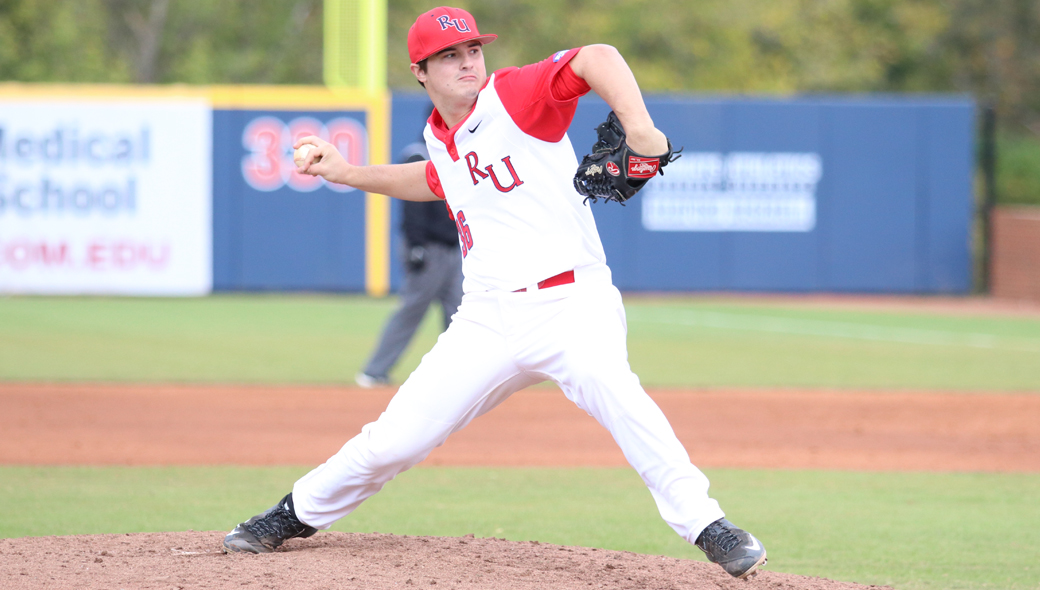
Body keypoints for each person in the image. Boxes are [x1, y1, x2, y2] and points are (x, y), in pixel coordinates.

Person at [222, 6, 768, 580]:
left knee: (615, 391)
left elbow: (597, 57)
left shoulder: (514, 96)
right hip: (487, 316)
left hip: (570, 303)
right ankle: (293, 513)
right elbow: (435, 180)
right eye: (450, 56)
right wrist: (348, 171)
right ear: (421, 72)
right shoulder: (438, 136)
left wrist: (640, 127)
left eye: (473, 51)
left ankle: (710, 526)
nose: (467, 63)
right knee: (394, 440)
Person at [355, 119, 464, 389]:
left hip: (455, 249)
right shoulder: (419, 152)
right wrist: (416, 245)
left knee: (461, 314)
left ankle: (458, 377)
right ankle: (373, 371)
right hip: (428, 248)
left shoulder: (462, 151)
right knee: (412, 310)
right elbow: (412, 207)